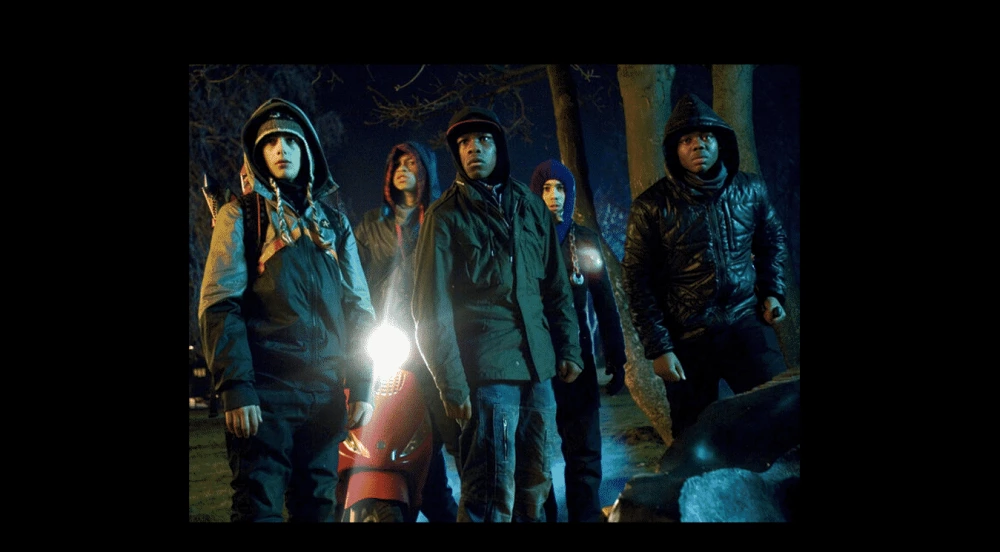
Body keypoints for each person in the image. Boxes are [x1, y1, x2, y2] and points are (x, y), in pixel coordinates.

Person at [198, 98, 377, 522]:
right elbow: (219, 305)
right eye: (270, 142)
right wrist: (237, 388)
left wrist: (362, 384)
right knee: (257, 509)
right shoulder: (240, 217)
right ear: (257, 154)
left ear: (308, 150)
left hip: (325, 398)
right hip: (265, 396)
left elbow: (359, 309)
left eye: (291, 141)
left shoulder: (334, 224)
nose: (281, 149)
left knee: (318, 509)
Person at [411, 106, 584, 522]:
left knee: (535, 484)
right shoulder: (445, 216)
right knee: (489, 491)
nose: (474, 149)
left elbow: (556, 287)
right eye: (464, 142)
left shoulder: (530, 207)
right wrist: (452, 385)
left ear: (498, 147)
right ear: (456, 153)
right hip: (486, 375)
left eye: (483, 140)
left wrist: (569, 348)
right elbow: (430, 310)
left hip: (537, 370)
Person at [621, 92, 789, 443]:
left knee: (778, 415)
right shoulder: (651, 206)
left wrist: (773, 291)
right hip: (687, 336)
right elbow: (637, 281)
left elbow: (772, 241)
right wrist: (659, 348)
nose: (697, 145)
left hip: (746, 323)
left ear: (720, 142)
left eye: (705, 136)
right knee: (694, 440)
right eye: (686, 140)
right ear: (675, 150)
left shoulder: (750, 190)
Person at [353, 141, 460, 522]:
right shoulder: (371, 225)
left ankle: (450, 504)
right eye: (396, 162)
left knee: (441, 436)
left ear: (425, 171)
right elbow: (354, 279)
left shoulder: (440, 219)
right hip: (385, 347)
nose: (402, 168)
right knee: (388, 438)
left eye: (410, 162)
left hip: (431, 347)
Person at [529, 159, 628, 523]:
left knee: (584, 444)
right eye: (546, 189)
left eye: (560, 189)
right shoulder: (523, 239)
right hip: (534, 358)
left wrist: (616, 355)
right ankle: (543, 515)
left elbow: (604, 300)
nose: (554, 196)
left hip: (579, 356)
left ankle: (584, 515)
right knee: (536, 446)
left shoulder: (584, 240)